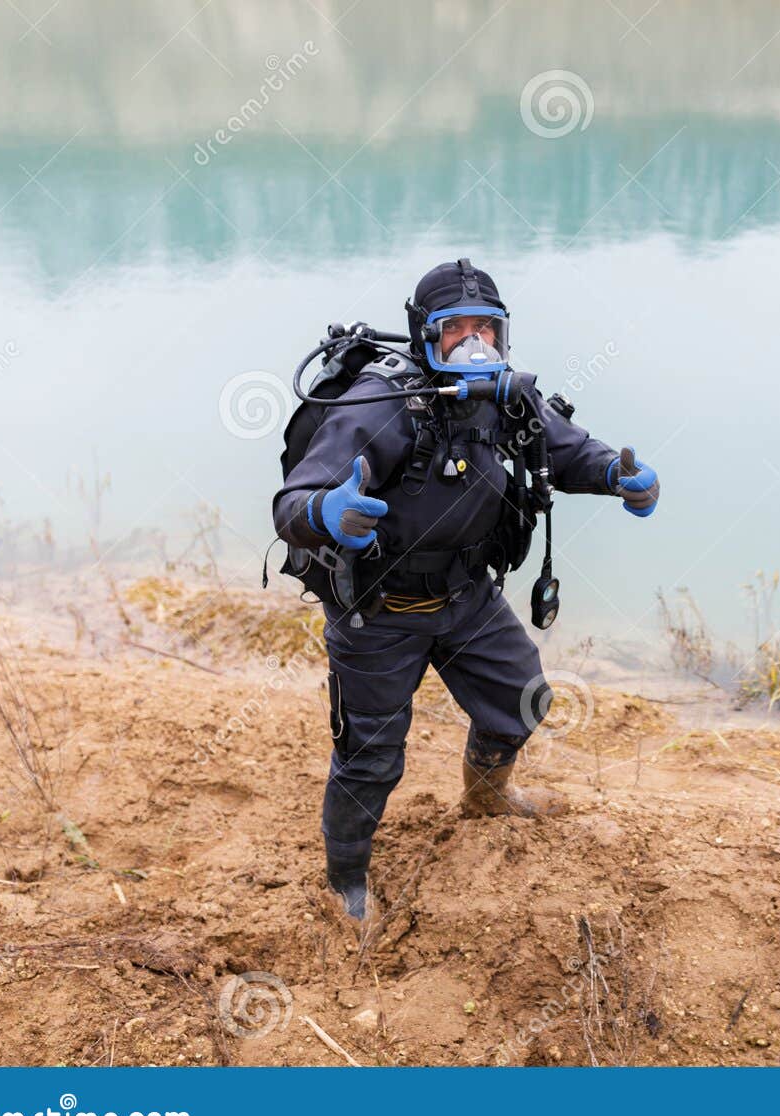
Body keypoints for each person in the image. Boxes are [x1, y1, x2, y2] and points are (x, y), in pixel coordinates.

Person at [272, 258, 660, 920]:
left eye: (489, 328)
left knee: (523, 698)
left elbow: (565, 451)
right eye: (458, 330)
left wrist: (617, 475)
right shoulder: (380, 407)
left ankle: (484, 796)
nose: (475, 343)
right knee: (369, 756)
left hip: (466, 597)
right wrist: (325, 513)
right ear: (427, 335)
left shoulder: (505, 398)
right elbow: (292, 502)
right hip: (379, 609)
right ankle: (347, 877)